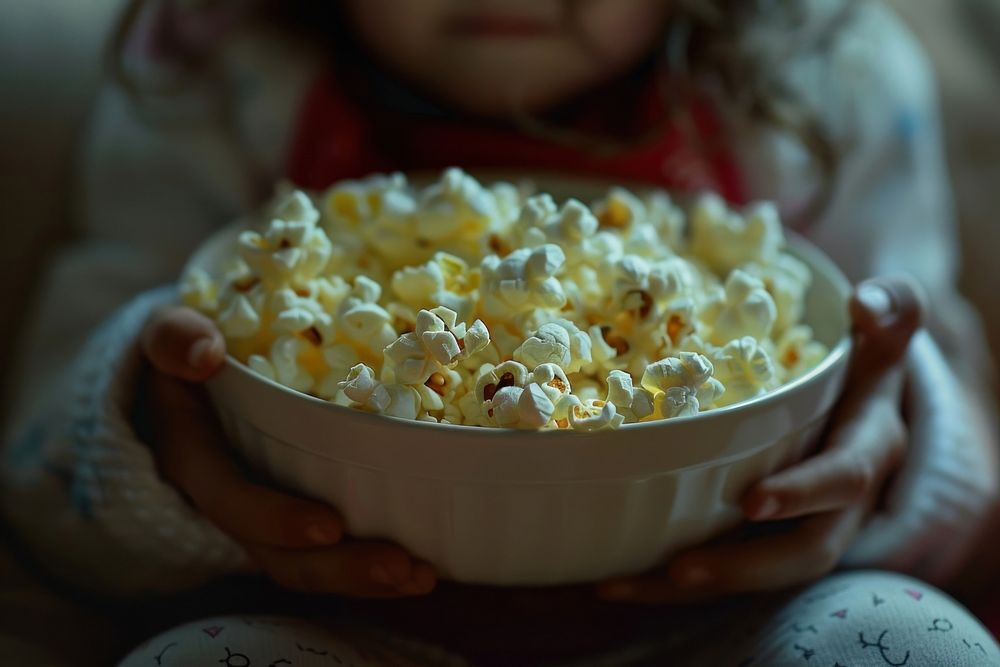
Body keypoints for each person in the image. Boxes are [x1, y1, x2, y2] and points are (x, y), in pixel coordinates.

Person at [2, 0, 998, 664]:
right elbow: (37, 482)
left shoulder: (825, 84)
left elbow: (947, 412)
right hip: (330, 631)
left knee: (900, 642)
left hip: (736, 631)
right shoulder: (216, 79)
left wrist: (887, 441)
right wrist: (155, 426)